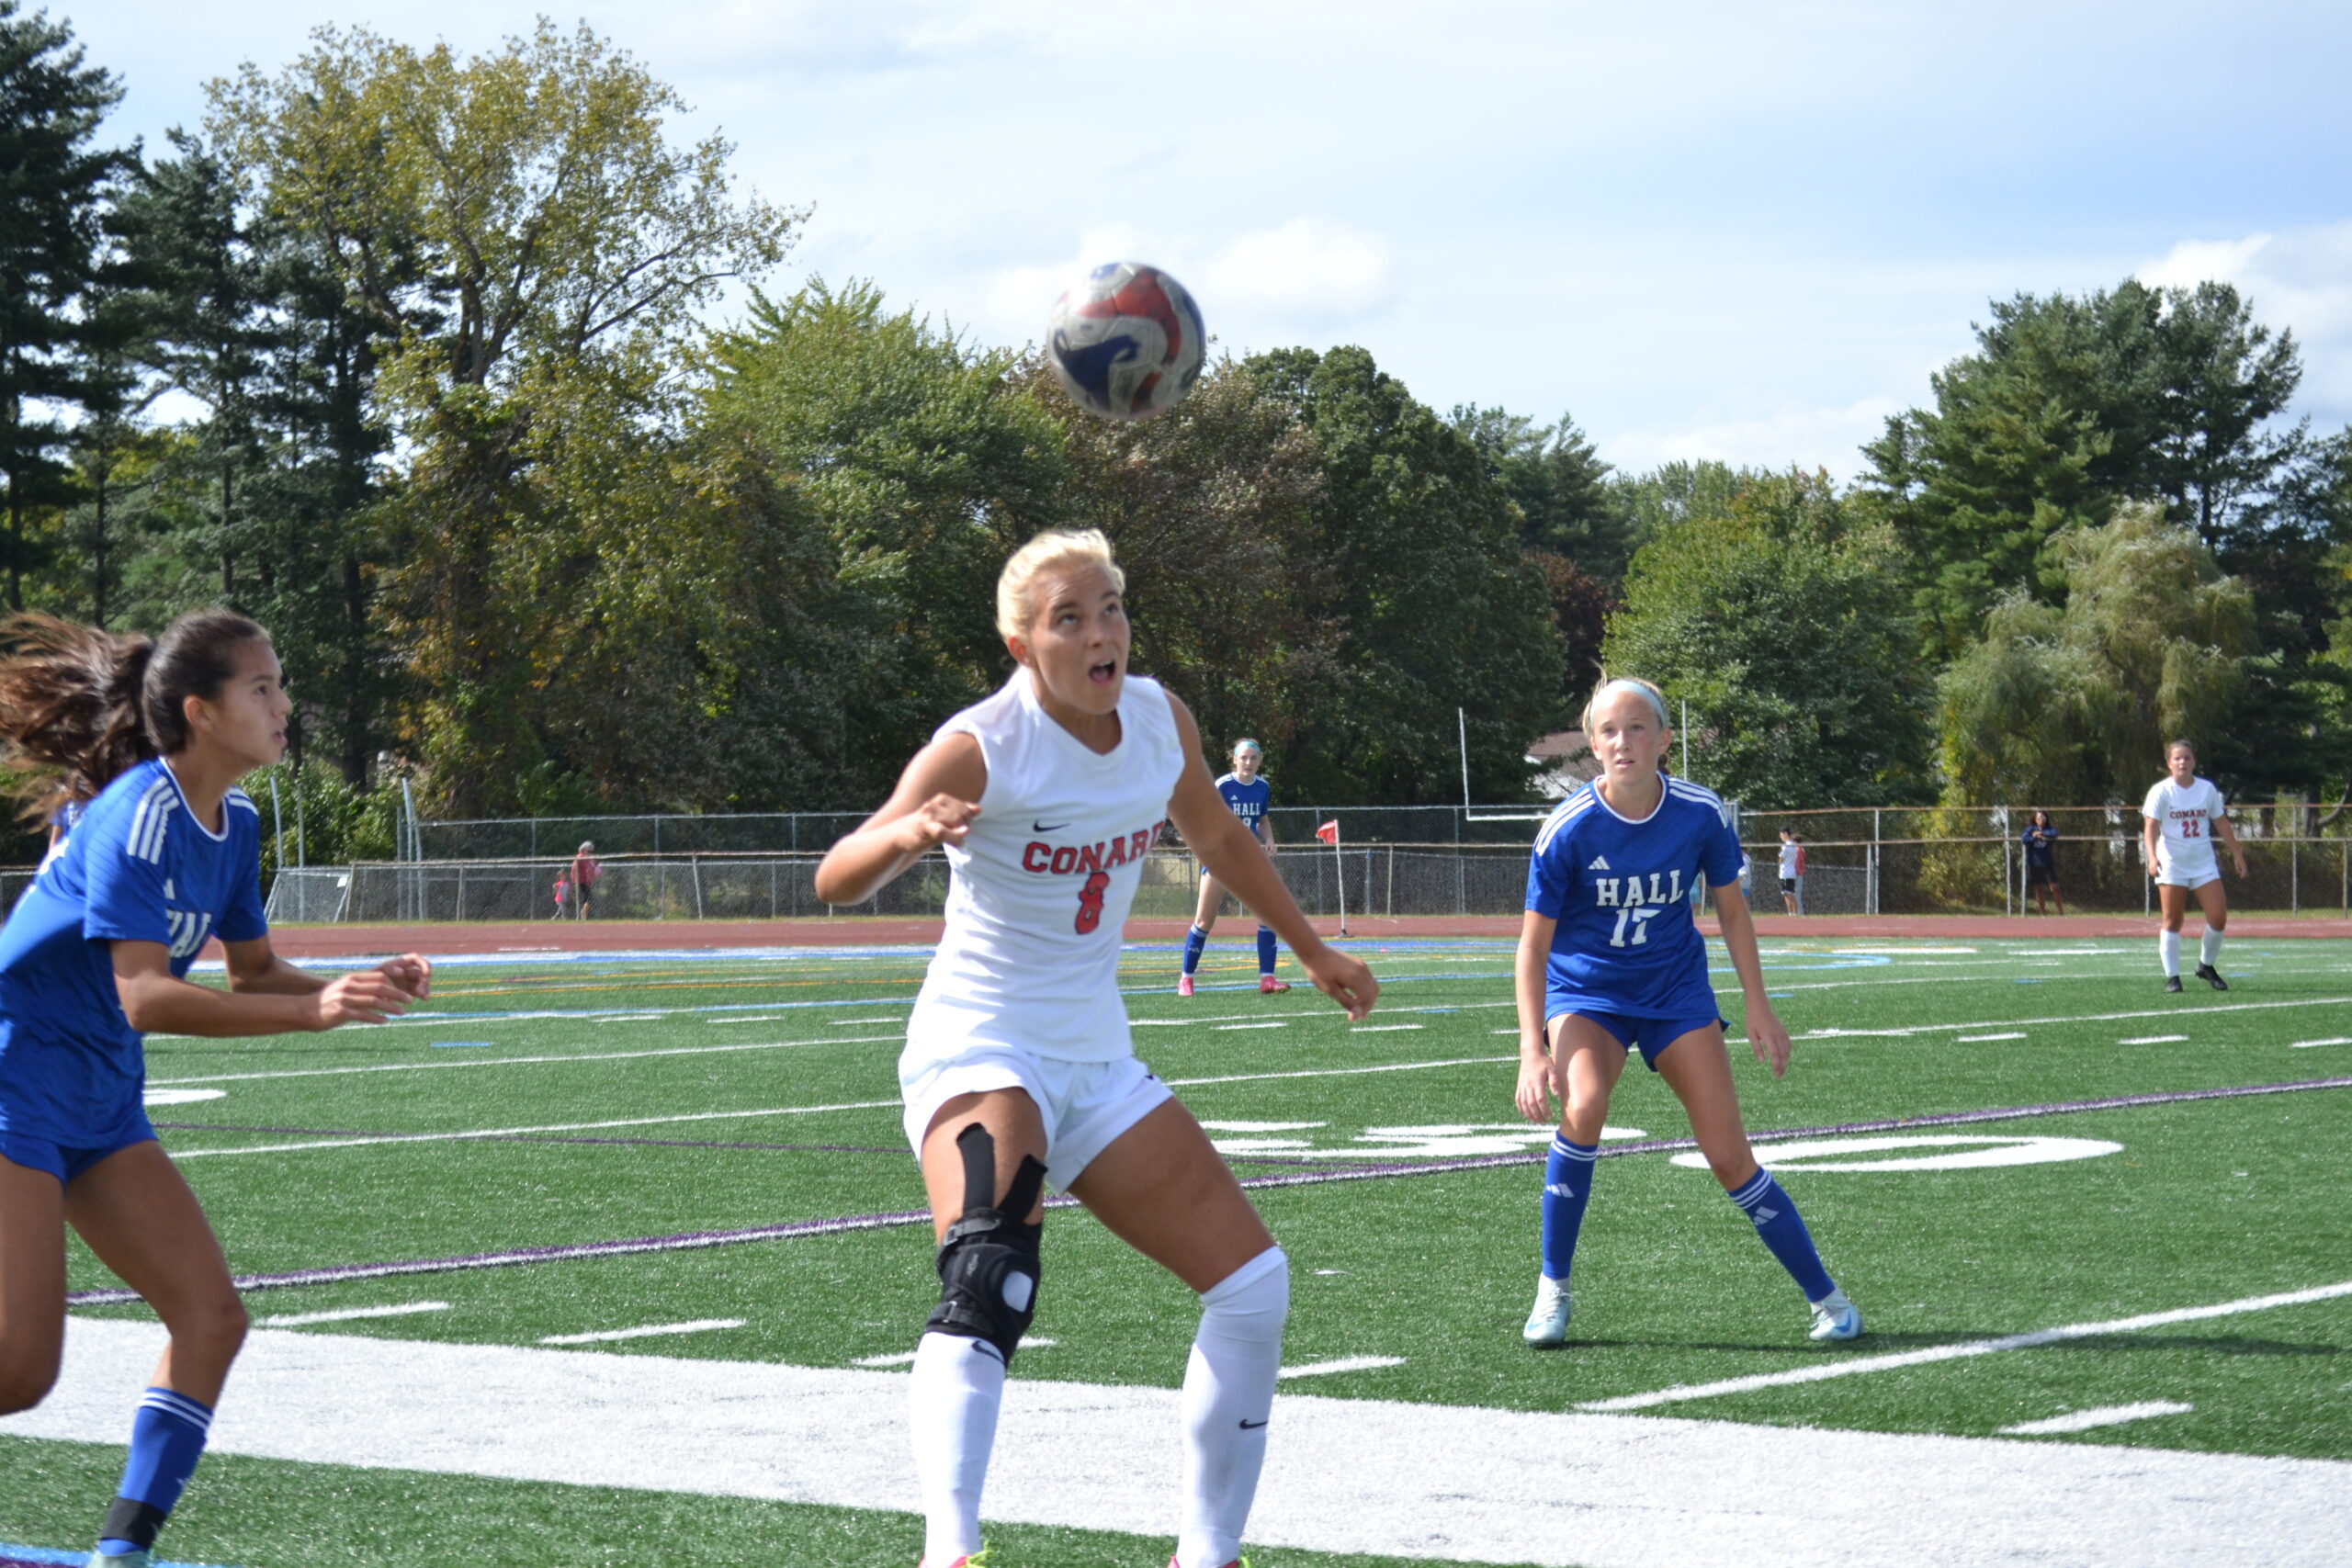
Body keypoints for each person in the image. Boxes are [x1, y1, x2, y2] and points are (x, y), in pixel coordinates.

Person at [814, 529, 1377, 1568]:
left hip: (1094, 1055)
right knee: (990, 1272)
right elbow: (834, 878)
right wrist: (905, 836)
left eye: (1111, 607)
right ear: (1023, 644)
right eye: (1069, 618)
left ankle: (1206, 1555)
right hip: (980, 1043)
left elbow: (1216, 836)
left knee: (1253, 1285)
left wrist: (1311, 950)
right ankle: (952, 1552)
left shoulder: (1162, 718)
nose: (1100, 632)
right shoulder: (982, 743)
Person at [0, 610, 430, 1568]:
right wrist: (315, 1015)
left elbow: (251, 975)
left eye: (281, 685)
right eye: (263, 689)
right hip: (13, 1076)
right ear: (200, 711)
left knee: (211, 1317)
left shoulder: (235, 822)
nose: (286, 705)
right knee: (20, 1371)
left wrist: (350, 984)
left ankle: (123, 1552)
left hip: (100, 1096)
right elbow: (145, 995)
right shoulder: (139, 812)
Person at [1512, 674, 1861, 1348]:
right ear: (1592, 743)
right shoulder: (1567, 829)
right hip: (1590, 994)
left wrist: (1758, 1006)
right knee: (1583, 1106)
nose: (1624, 741)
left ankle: (1828, 1298)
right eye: (1609, 730)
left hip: (1675, 992)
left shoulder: (1700, 813)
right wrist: (1533, 1046)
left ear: (1665, 740)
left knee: (1731, 1155)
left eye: (1638, 727)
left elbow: (1732, 909)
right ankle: (1552, 1287)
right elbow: (1532, 946)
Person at [1179, 739, 1288, 997]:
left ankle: (1267, 979)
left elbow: (1261, 819)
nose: (1248, 763)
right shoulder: (1223, 786)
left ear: (1260, 761)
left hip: (1248, 859)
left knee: (1268, 918)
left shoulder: (1262, 787)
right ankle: (1186, 979)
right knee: (1204, 921)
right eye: (1244, 758)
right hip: (1220, 859)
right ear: (1234, 760)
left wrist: (1269, 839)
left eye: (1254, 758)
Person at [2142, 740, 2244, 993]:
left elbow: (2221, 823)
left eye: (2187, 758)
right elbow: (2150, 827)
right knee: (2173, 920)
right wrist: (2152, 857)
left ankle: (2205, 966)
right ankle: (2173, 977)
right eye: (2177, 759)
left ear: (2194, 762)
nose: (2182, 763)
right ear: (2169, 763)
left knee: (2218, 917)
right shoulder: (2161, 791)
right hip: (2173, 863)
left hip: (2203, 862)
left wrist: (2237, 854)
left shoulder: (2206, 790)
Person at [2021, 809, 2064, 916]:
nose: (2041, 820)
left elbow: (2054, 833)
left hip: (2047, 863)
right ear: (2035, 819)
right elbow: (2024, 839)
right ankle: (2042, 913)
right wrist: (2034, 837)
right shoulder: (2031, 829)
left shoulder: (2049, 829)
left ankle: (2061, 912)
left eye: (2043, 818)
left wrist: (2042, 833)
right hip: (2035, 863)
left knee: (2054, 887)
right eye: (2039, 818)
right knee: (2039, 889)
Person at [568, 840, 601, 919]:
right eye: (588, 851)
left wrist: (598, 870)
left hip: (587, 882)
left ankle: (583, 914)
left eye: (591, 851)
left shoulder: (590, 858)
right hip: (580, 882)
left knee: (587, 899)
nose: (590, 853)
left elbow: (596, 866)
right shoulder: (580, 857)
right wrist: (577, 880)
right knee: (588, 899)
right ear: (583, 850)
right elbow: (575, 870)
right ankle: (583, 915)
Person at [1775, 829, 1804, 915]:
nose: (1781, 837)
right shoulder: (1794, 846)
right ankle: (1792, 913)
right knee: (1789, 893)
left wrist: (1780, 860)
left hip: (1786, 873)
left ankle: (1792, 912)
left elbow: (1781, 859)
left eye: (1781, 835)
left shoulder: (1786, 846)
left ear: (1785, 834)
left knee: (1788, 894)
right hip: (1791, 872)